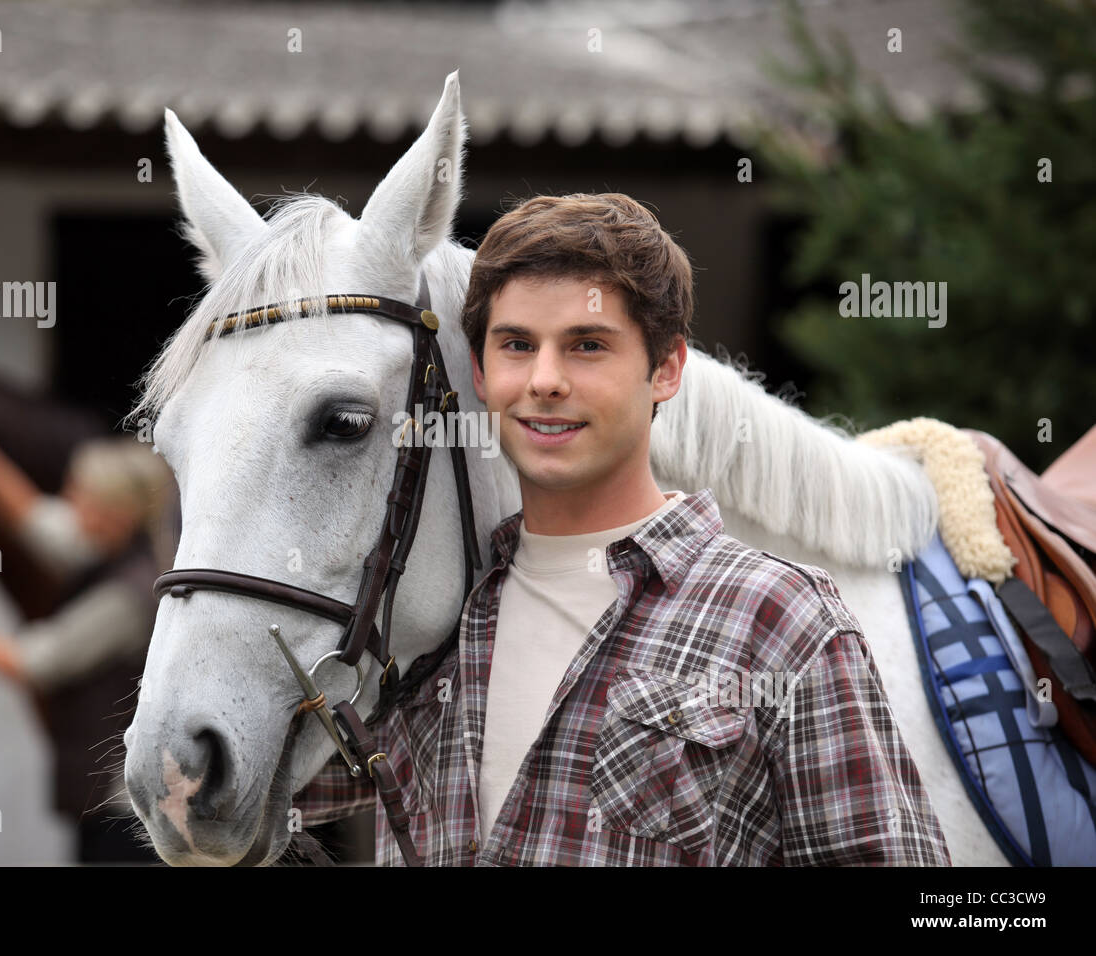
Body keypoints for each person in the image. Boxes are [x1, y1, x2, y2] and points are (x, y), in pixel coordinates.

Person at [292, 192, 952, 865]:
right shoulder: (436, 626)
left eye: (587, 346)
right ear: (482, 375)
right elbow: (232, 791)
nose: (545, 380)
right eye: (518, 345)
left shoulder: (779, 616)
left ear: (666, 369)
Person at [0, 401, 173, 863]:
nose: (68, 508)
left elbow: (34, 662)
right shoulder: (119, 546)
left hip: (127, 816)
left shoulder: (132, 596)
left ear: (117, 514)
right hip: (114, 806)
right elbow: (38, 522)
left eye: (79, 500)